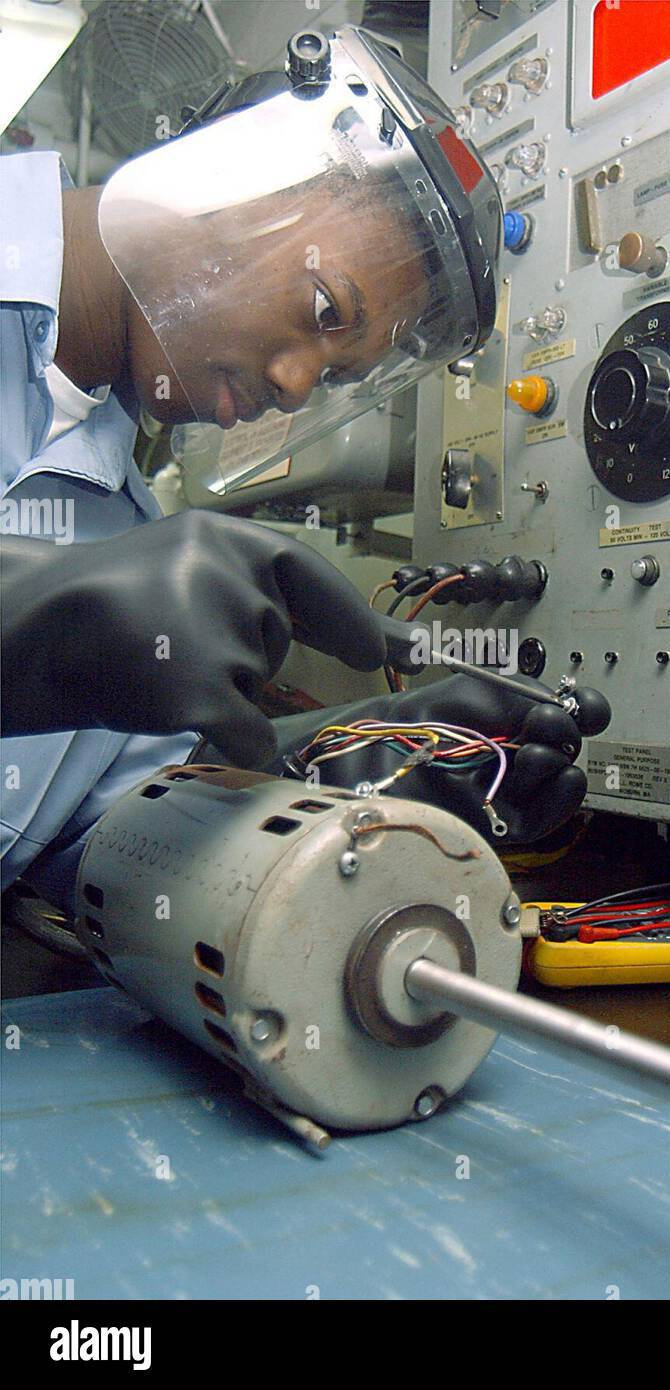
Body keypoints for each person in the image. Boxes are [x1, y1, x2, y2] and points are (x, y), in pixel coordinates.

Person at [0, 25, 592, 916]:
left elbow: (87, 854)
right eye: (325, 308)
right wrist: (35, 622)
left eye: (340, 374)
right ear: (213, 174)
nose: (295, 381)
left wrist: (322, 780)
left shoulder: (117, 524)